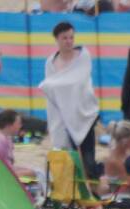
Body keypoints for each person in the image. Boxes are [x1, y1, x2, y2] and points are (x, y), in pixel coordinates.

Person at [41, 22, 100, 179]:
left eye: (71, 37)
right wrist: (56, 86)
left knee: (88, 157)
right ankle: (69, 191)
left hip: (83, 112)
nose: (68, 41)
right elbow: (51, 90)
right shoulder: (51, 62)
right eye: (64, 38)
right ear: (57, 39)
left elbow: (79, 81)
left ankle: (92, 193)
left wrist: (56, 85)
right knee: (66, 155)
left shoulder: (83, 56)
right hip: (61, 113)